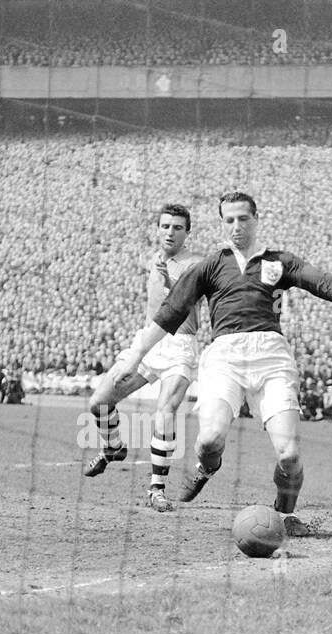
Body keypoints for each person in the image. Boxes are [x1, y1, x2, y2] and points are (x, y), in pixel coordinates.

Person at [112, 191, 332, 536]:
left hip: (271, 356)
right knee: (209, 440)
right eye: (229, 220)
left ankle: (284, 515)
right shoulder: (209, 265)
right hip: (224, 356)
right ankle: (206, 468)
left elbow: (324, 282)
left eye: (243, 219)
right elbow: (169, 314)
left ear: (256, 219)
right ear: (222, 223)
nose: (236, 226)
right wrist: (135, 356)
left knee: (289, 455)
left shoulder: (280, 260)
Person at [82, 203, 205, 512]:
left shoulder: (197, 264)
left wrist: (169, 284)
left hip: (181, 344)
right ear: (158, 229)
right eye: (165, 226)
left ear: (187, 232)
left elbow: (187, 300)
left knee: (165, 411)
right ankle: (113, 447)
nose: (170, 232)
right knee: (99, 402)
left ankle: (156, 489)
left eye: (178, 227)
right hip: (148, 343)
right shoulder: (154, 259)